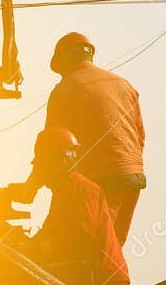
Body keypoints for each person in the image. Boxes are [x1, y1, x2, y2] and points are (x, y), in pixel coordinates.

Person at [42, 32, 145, 245]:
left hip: (101, 180)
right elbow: (140, 136)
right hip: (133, 177)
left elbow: (51, 147)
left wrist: (30, 188)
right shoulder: (123, 84)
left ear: (64, 60)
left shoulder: (64, 90)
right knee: (112, 251)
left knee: (87, 252)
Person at [23, 127, 130, 285]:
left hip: (102, 280)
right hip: (87, 278)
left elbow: (79, 239)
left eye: (43, 166)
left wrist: (37, 250)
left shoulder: (81, 190)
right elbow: (51, 231)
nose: (41, 174)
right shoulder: (63, 192)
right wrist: (27, 245)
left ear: (61, 161)